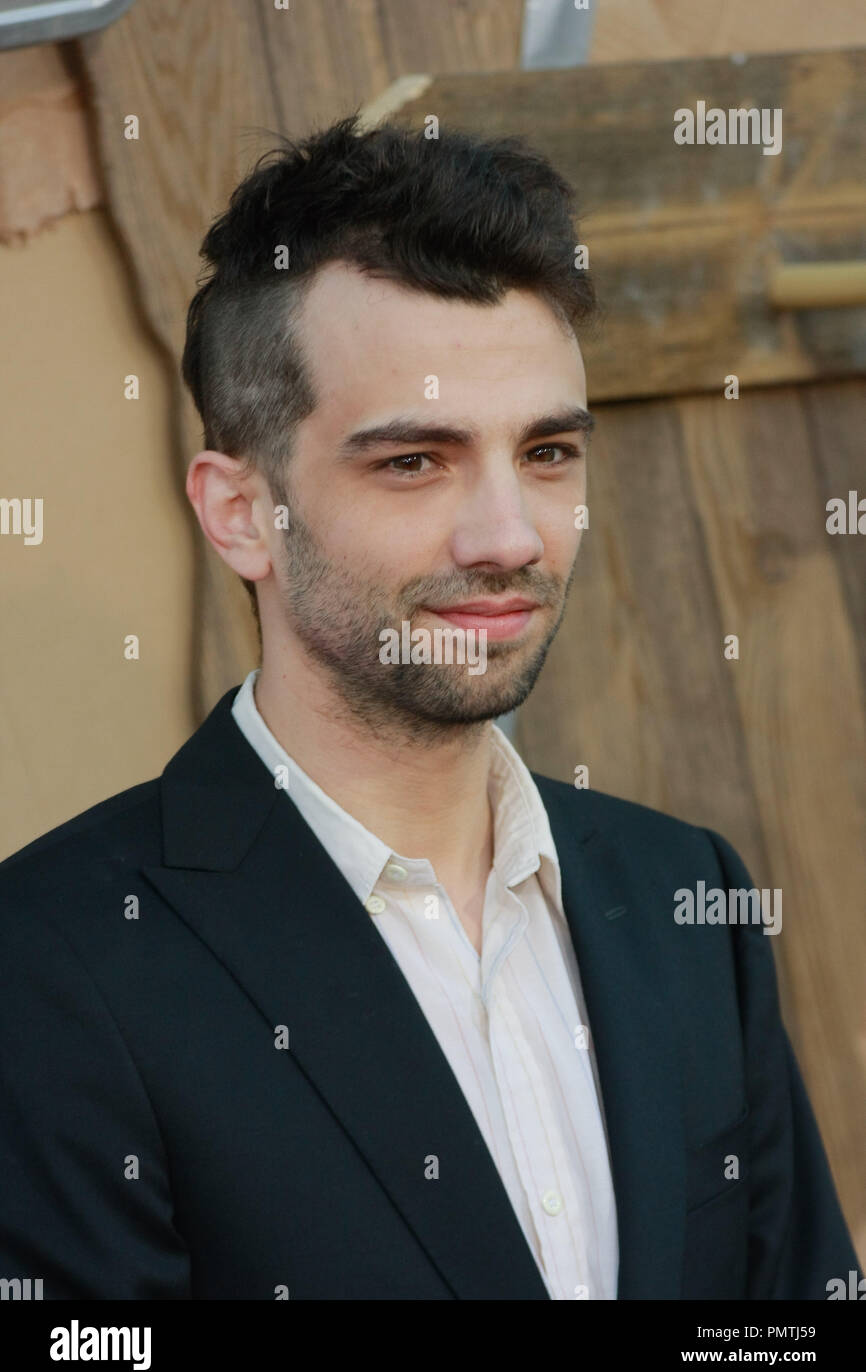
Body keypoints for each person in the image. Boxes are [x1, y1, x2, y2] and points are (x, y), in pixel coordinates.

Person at [0, 113, 859, 1301]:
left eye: (548, 453)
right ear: (240, 511)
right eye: (413, 461)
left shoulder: (684, 899)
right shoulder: (51, 964)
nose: (508, 537)